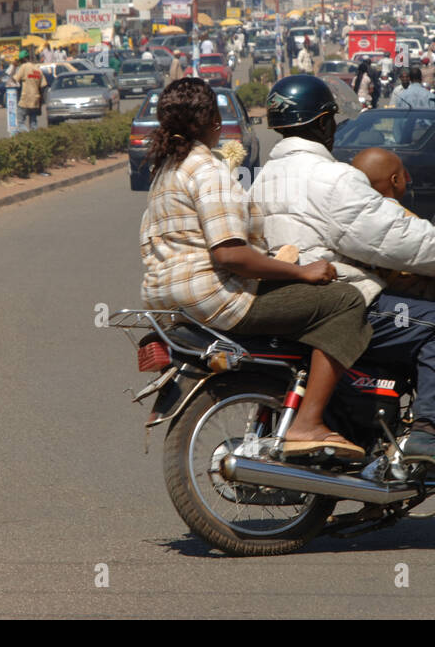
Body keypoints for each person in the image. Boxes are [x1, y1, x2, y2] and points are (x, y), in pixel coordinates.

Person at [249, 75, 435, 482]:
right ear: (325, 123)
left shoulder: (265, 176)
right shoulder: (332, 178)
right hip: (342, 296)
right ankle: (433, 435)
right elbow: (397, 239)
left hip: (292, 296)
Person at [140, 78, 372, 457]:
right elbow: (230, 254)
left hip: (167, 299)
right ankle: (308, 422)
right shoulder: (206, 169)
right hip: (215, 298)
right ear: (214, 121)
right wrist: (303, 272)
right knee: (344, 301)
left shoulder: (166, 169)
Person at [351, 147, 435, 367]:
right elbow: (430, 251)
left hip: (374, 288)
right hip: (404, 288)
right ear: (395, 180)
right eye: (405, 175)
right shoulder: (398, 214)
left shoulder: (352, 212)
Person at [15, 51, 45, 131]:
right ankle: (34, 137)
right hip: (35, 100)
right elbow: (43, 86)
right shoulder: (38, 69)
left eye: (20, 61)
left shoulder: (24, 67)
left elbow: (15, 80)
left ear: (24, 59)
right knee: (33, 122)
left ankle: (27, 136)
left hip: (25, 99)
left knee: (20, 122)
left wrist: (14, 67)